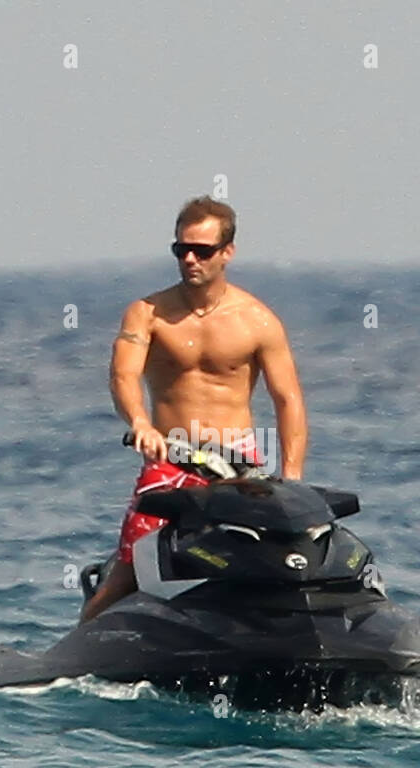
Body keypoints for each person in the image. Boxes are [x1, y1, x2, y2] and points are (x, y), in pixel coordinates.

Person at [79, 196, 308, 623]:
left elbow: (288, 399)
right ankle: (80, 647)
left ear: (227, 253)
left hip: (237, 465)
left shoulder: (257, 321)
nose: (189, 259)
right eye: (181, 249)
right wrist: (141, 422)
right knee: (132, 567)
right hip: (170, 456)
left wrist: (292, 476)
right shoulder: (148, 313)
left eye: (201, 251)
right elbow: (123, 376)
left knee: (273, 561)